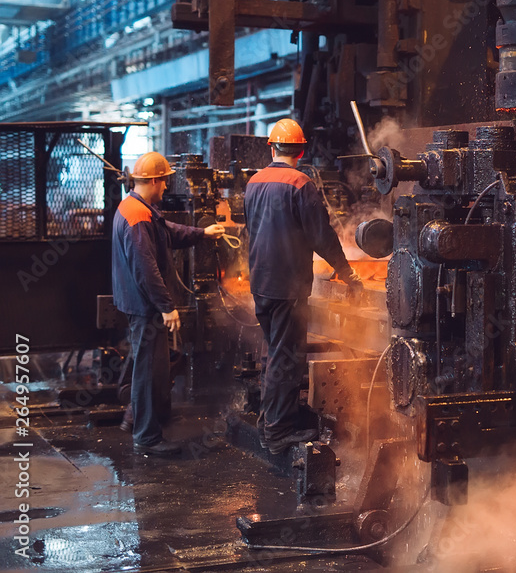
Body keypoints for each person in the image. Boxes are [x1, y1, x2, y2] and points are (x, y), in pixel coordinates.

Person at [244, 118, 363, 454]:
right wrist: (347, 272)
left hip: (261, 282)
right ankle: (278, 433)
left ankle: (272, 419)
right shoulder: (300, 183)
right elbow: (321, 236)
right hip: (287, 286)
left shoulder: (254, 182)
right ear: (302, 150)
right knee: (286, 358)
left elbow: (252, 229)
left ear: (272, 147)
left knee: (273, 352)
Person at [112, 151, 226, 456]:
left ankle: (150, 420)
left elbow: (167, 232)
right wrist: (166, 306)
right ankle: (147, 436)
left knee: (153, 367)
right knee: (148, 370)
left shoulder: (138, 208)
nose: (166, 187)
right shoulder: (137, 217)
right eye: (164, 181)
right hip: (145, 306)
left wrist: (202, 233)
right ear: (152, 181)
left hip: (140, 303)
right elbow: (145, 268)